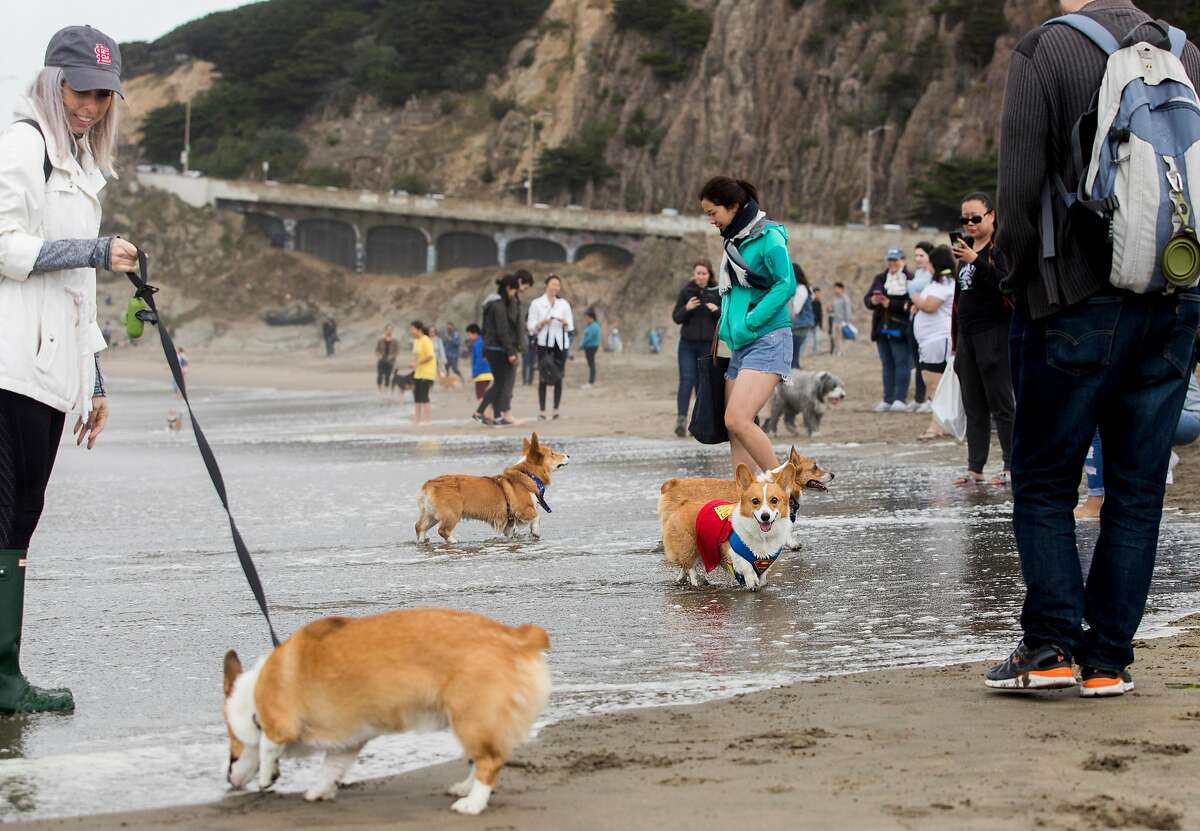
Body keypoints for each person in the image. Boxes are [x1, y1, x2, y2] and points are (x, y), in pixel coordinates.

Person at [990, 0, 1200, 697]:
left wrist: (1017, 278)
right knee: (1136, 493)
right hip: (1173, 299)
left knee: (1046, 480)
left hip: (1073, 299)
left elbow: (1018, 193)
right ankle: (1108, 659)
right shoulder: (1185, 52)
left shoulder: (1045, 52)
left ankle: (1049, 644)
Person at [0, 24, 140, 714]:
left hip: (52, 371)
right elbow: (4, 246)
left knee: (22, 518)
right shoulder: (25, 145)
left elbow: (78, 296)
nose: (91, 106)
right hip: (9, 366)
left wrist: (97, 381)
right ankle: (4, 678)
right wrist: (92, 248)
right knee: (4, 521)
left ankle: (6, 674)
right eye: (82, 91)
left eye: (103, 96)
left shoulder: (81, 165)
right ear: (55, 81)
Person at [699, 176, 796, 474]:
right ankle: (742, 502)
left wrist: (751, 322)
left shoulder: (770, 237)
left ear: (733, 206)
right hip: (741, 345)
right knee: (737, 431)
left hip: (767, 339)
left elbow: (786, 284)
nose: (711, 221)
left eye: (713, 213)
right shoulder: (734, 240)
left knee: (737, 419)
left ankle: (785, 489)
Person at [950, 192, 1013, 486]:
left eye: (976, 218)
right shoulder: (964, 252)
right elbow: (960, 299)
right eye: (965, 219)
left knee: (1001, 403)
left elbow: (1006, 284)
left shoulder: (997, 249)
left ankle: (1011, 466)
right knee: (972, 404)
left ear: (991, 216)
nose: (970, 224)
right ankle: (975, 468)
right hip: (967, 335)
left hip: (993, 333)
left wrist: (977, 260)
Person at [1076, 371, 1200, 518]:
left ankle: (1094, 502)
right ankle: (1159, 454)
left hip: (1187, 416)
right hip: (1168, 413)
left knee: (1102, 416)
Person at [910, 245, 956, 440]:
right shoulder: (937, 282)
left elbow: (930, 306)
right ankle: (940, 423)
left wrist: (916, 299)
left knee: (934, 383)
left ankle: (937, 425)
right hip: (929, 340)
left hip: (938, 340)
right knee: (933, 383)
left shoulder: (944, 283)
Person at [672, 260, 721, 436]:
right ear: (693, 274)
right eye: (698, 273)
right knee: (686, 381)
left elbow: (725, 319)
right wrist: (687, 308)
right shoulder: (686, 292)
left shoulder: (717, 292)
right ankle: (681, 421)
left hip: (707, 345)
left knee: (703, 385)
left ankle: (698, 424)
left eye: (704, 273)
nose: (700, 276)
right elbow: (676, 318)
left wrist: (716, 310)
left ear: (710, 275)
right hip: (687, 344)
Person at [864, 249, 913, 412]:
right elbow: (867, 299)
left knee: (901, 363)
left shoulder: (910, 279)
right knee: (887, 365)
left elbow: (911, 303)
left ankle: (900, 398)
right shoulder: (880, 278)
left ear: (903, 260)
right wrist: (872, 300)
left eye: (896, 260)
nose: (892, 264)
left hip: (900, 329)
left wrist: (890, 304)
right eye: (890, 260)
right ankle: (887, 398)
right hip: (881, 329)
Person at [526, 274, 575, 420]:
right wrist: (541, 323)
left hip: (560, 343)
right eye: (553, 284)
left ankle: (556, 410)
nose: (555, 287)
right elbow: (530, 326)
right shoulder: (536, 303)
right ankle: (542, 411)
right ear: (546, 285)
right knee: (543, 376)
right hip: (543, 343)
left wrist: (565, 324)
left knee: (559, 376)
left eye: (558, 285)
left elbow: (570, 326)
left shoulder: (564, 304)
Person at [476, 275, 522, 426]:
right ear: (509, 288)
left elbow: (484, 329)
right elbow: (502, 331)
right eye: (515, 291)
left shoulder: (490, 303)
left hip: (490, 347)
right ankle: (480, 411)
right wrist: (510, 352)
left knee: (499, 382)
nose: (515, 294)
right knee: (500, 383)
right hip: (497, 348)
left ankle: (496, 416)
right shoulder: (499, 306)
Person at [908, 241, 937, 408]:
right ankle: (919, 398)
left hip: (928, 321)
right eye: (916, 256)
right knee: (917, 361)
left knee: (928, 362)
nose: (918, 259)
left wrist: (918, 303)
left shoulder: (934, 276)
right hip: (914, 320)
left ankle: (929, 398)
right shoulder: (918, 274)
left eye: (921, 255)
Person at [409, 321, 436, 426]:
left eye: (413, 329)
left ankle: (428, 420)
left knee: (424, 396)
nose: (411, 331)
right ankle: (417, 420)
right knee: (417, 397)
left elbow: (430, 356)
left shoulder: (426, 340)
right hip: (418, 373)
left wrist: (417, 363)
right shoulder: (416, 341)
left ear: (419, 329)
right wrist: (413, 363)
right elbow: (416, 355)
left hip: (428, 372)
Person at [789, 264, 814, 369]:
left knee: (793, 359)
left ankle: (794, 382)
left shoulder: (801, 289)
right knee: (793, 357)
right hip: (799, 327)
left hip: (799, 327)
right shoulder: (801, 288)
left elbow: (795, 310)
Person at [465, 323, 493, 406]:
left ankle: (483, 413)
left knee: (480, 396)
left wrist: (475, 373)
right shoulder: (484, 341)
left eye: (469, 334)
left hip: (481, 374)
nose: (468, 337)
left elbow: (478, 360)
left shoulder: (477, 344)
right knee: (486, 395)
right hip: (488, 373)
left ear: (475, 333)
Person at [375, 324, 400, 397]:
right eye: (387, 330)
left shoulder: (395, 341)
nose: (389, 331)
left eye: (390, 330)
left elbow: (397, 351)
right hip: (381, 360)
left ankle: (386, 391)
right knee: (379, 375)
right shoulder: (380, 340)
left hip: (390, 361)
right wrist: (378, 355)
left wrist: (392, 356)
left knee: (387, 376)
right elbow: (377, 350)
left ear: (392, 331)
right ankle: (379, 391)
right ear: (385, 330)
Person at [580, 308, 601, 387]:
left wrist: (582, 345)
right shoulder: (591, 325)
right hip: (590, 347)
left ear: (590, 317)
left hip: (591, 347)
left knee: (591, 364)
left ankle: (591, 382)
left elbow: (588, 338)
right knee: (591, 364)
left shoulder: (594, 326)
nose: (585, 319)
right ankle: (592, 381)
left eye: (586, 317)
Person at [829, 281, 852, 355]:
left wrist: (846, 321)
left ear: (841, 289)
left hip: (842, 321)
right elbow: (833, 309)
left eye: (836, 288)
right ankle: (838, 350)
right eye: (834, 288)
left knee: (841, 337)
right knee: (834, 336)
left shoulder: (845, 298)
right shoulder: (835, 298)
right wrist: (830, 309)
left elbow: (848, 310)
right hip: (835, 320)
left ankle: (841, 351)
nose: (835, 290)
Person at [810, 287, 823, 356]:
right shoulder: (810, 302)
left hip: (816, 324)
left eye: (819, 293)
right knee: (808, 339)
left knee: (816, 339)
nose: (818, 294)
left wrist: (821, 324)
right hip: (810, 323)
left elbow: (820, 314)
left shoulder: (819, 302)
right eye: (816, 293)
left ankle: (814, 353)